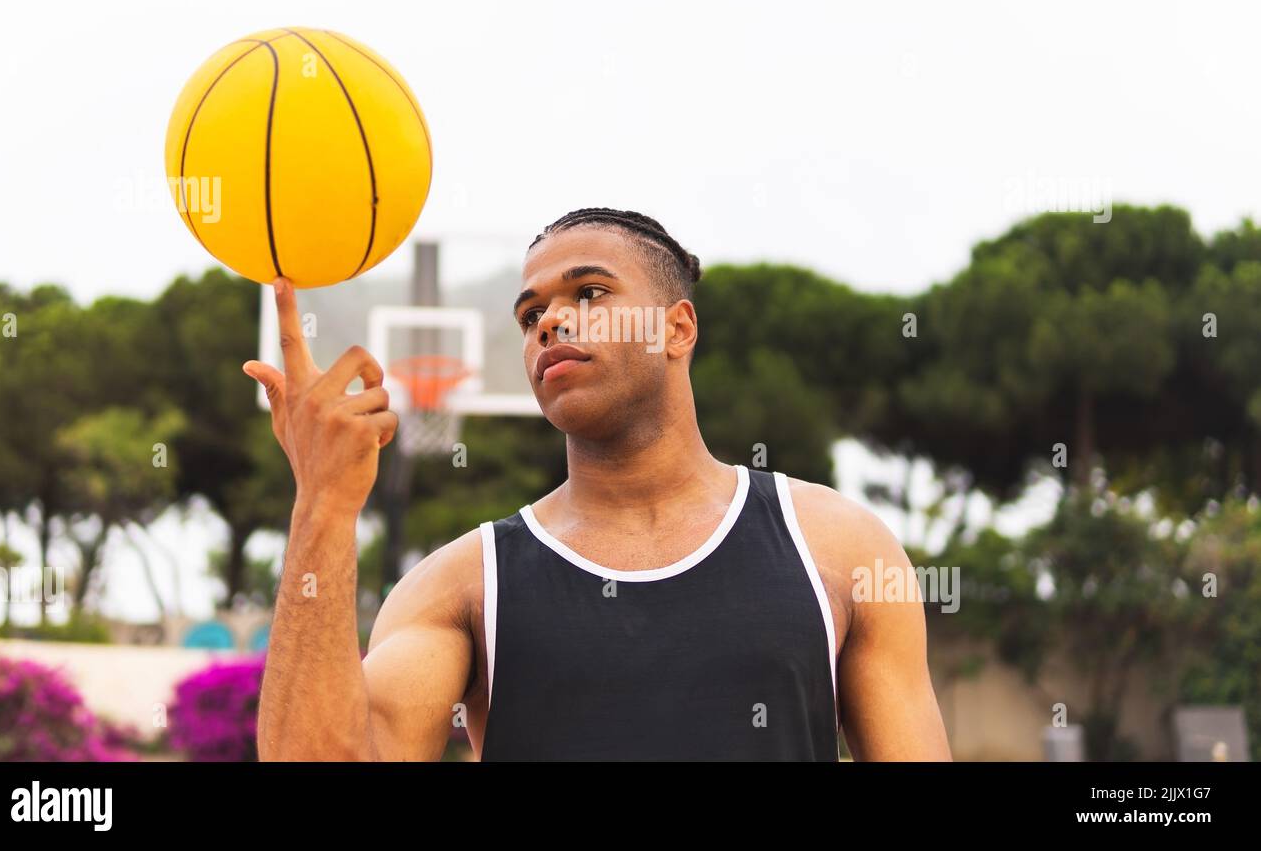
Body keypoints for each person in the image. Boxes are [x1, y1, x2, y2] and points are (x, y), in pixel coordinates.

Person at [247, 208, 951, 761]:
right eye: (530, 315)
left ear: (677, 329)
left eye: (588, 293)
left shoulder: (836, 546)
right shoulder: (463, 584)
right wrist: (324, 504)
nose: (550, 320)